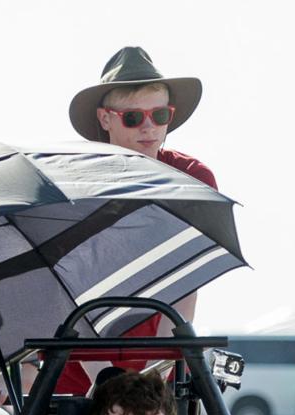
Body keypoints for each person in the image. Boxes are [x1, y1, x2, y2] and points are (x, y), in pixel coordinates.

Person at [61, 46, 214, 397]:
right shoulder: (73, 183)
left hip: (161, 370)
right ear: (105, 119)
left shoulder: (191, 178)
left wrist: (154, 375)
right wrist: (104, 379)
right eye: (133, 117)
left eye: (160, 114)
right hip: (78, 376)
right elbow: (66, 286)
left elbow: (189, 278)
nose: (149, 127)